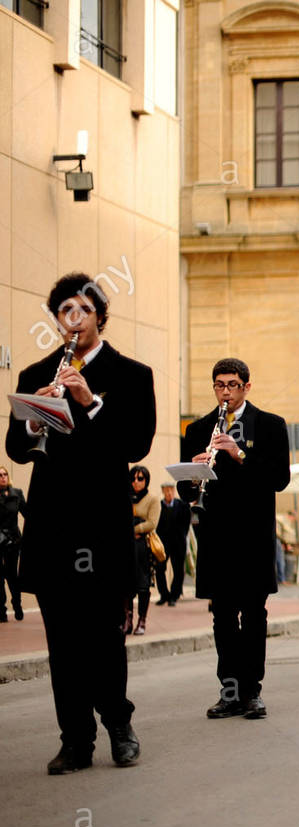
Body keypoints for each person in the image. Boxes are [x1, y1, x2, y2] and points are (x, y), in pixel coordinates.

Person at [5, 273, 155, 773]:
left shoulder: (133, 374)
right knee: (62, 640)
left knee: (103, 635)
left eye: (83, 310)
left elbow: (135, 444)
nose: (73, 319)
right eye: (64, 310)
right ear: (56, 319)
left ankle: (119, 724)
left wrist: (90, 402)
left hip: (102, 524)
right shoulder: (34, 373)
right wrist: (34, 418)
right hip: (52, 523)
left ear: (99, 315)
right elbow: (15, 450)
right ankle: (75, 739)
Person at [180, 359, 290, 719]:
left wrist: (239, 453)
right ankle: (228, 691)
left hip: (254, 536)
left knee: (254, 614)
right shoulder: (197, 429)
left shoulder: (270, 425)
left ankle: (252, 691)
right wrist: (194, 476)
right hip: (216, 537)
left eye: (232, 385)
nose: (225, 392)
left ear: (246, 387)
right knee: (223, 616)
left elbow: (279, 478)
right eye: (219, 385)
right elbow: (185, 489)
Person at [127, 466, 160, 635]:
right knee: (126, 584)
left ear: (146, 480)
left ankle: (142, 620)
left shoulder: (152, 499)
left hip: (143, 549)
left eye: (140, 478)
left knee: (142, 586)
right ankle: (128, 619)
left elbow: (152, 523)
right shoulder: (127, 497)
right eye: (133, 478)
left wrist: (135, 529)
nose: (136, 482)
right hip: (127, 546)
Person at [154, 482, 190, 606]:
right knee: (159, 569)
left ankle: (174, 596)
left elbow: (186, 522)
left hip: (178, 544)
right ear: (163, 492)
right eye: (166, 490)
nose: (169, 493)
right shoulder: (159, 506)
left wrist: (182, 536)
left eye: (171, 490)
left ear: (174, 491)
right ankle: (164, 595)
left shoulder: (182, 505)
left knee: (178, 570)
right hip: (163, 545)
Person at [0, 465, 26, 622]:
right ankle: (1, 611)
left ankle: (17, 604)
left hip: (13, 540)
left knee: (12, 576)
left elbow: (27, 512)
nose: (3, 477)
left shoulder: (17, 493)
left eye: (5, 474)